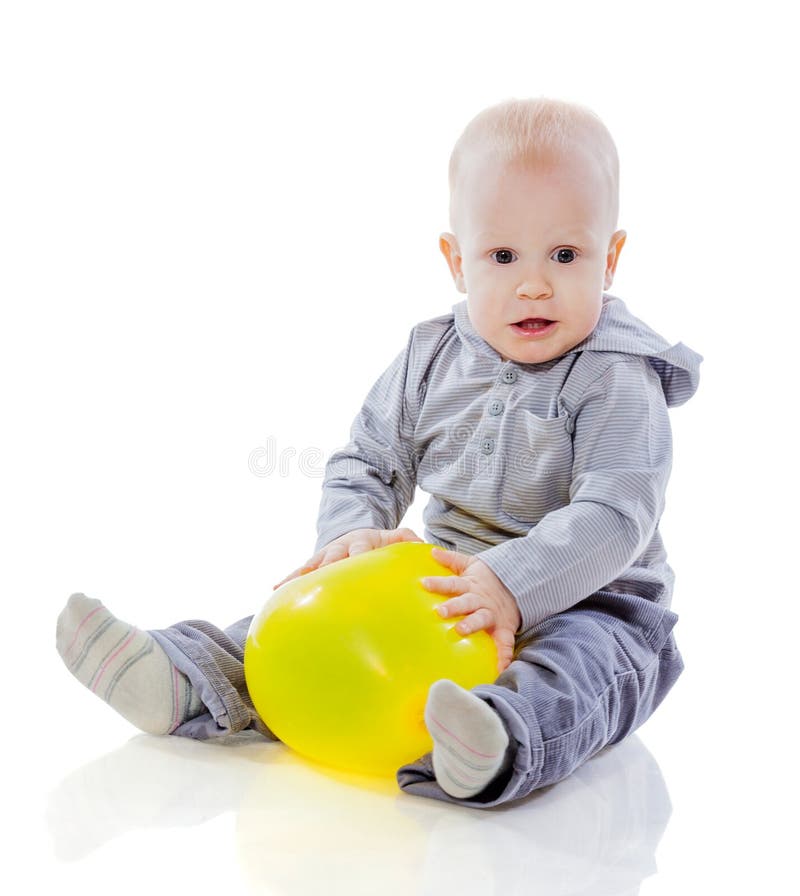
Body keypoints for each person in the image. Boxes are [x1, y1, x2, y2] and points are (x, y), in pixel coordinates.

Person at [56, 96, 703, 808]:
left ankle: (495, 739)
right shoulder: (433, 358)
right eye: (502, 254)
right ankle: (186, 676)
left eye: (565, 254)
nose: (533, 282)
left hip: (595, 600)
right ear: (457, 261)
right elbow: (368, 458)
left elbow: (617, 513)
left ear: (610, 256)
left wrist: (512, 583)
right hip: (452, 583)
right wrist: (351, 535)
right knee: (297, 626)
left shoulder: (618, 374)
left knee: (579, 674)